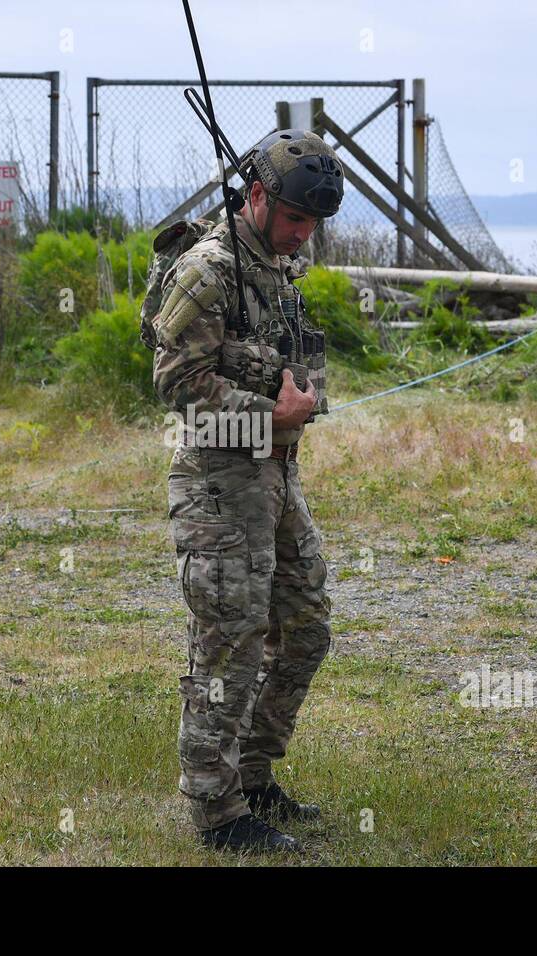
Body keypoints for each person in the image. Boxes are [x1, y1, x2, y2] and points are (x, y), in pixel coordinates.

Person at [147, 129, 346, 853]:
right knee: (228, 642)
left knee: (305, 626)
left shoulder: (275, 269)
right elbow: (177, 388)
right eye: (295, 218)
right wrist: (273, 413)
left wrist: (300, 397)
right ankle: (217, 813)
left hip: (275, 476)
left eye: (313, 224)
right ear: (258, 197)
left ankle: (256, 776)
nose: (303, 234)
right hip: (218, 486)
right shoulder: (207, 272)